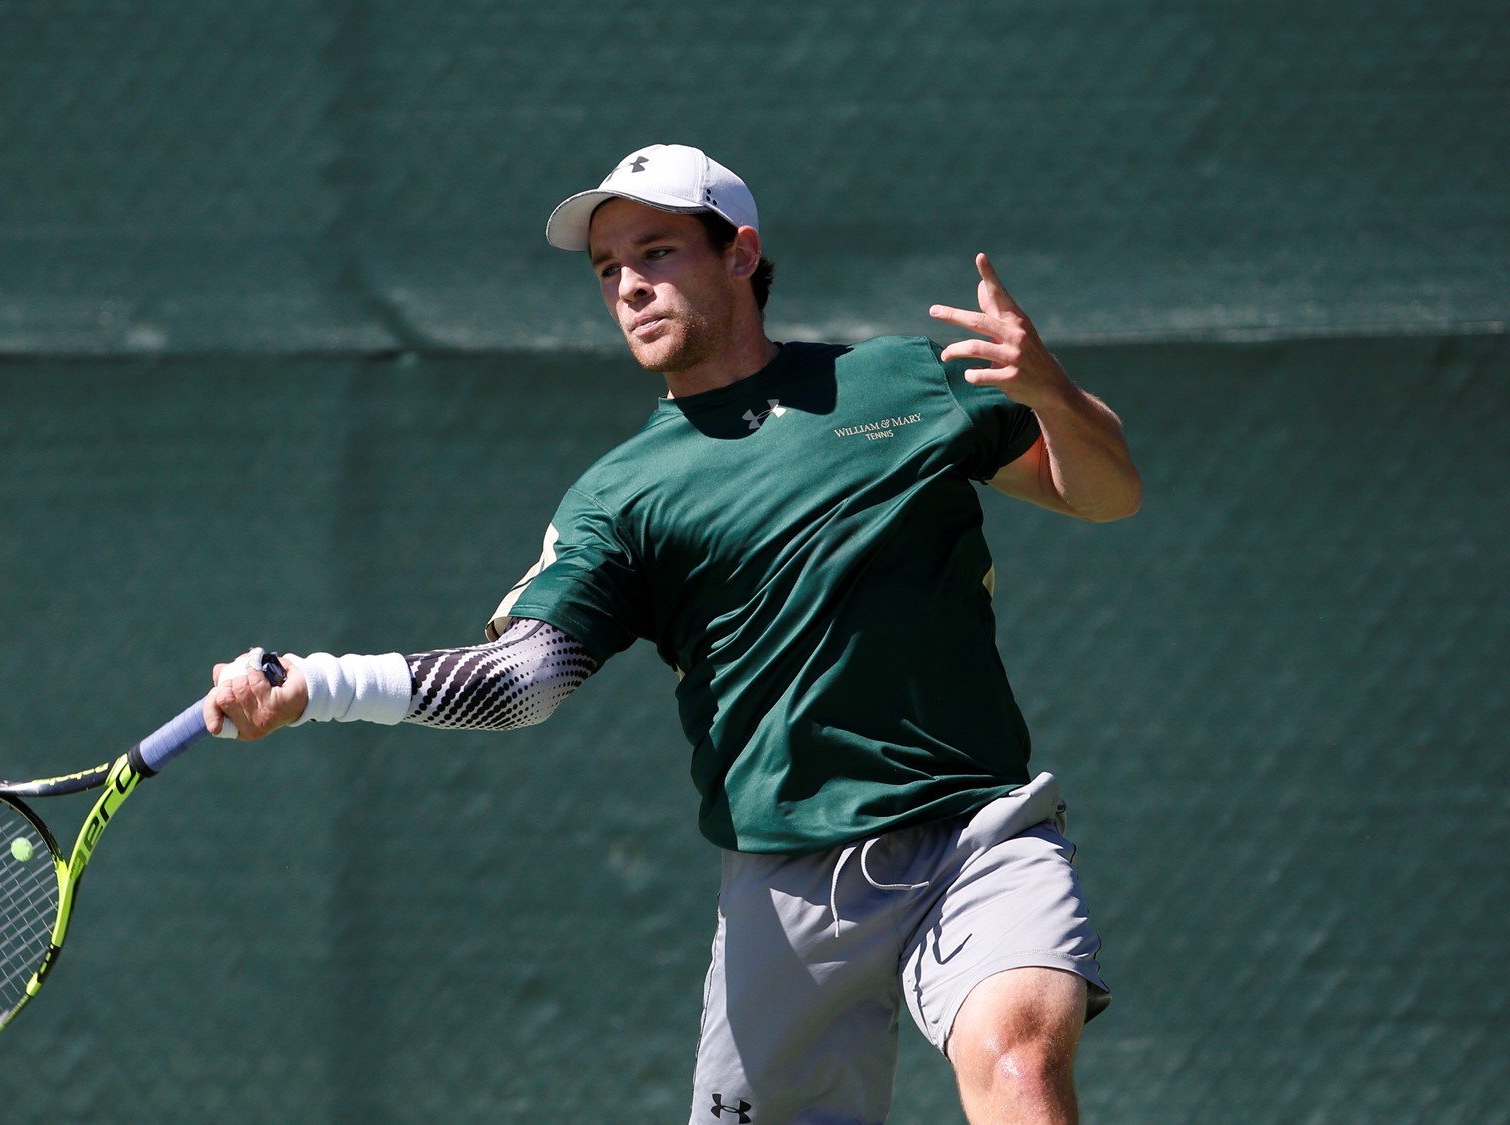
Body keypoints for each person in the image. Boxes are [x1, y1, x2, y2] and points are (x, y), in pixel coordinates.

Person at [205, 143, 1141, 1125]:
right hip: (785, 880)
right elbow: (524, 679)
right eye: (607, 269)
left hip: (974, 830)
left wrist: (1051, 394)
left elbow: (1107, 494)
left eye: (654, 253)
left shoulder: (909, 383)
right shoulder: (620, 498)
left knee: (1022, 1071)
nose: (627, 287)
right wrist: (318, 684)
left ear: (738, 253)